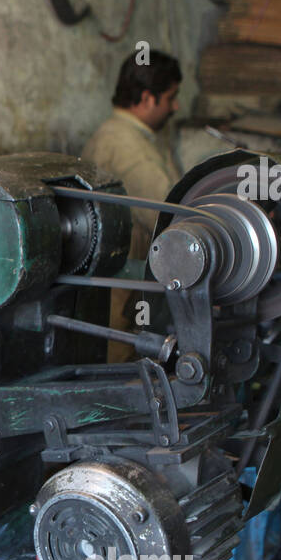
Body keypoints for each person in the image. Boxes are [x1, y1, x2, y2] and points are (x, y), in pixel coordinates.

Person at [81, 49, 183, 360]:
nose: (176, 106)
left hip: (126, 287)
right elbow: (169, 218)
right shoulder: (126, 147)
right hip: (119, 292)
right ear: (148, 99)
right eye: (171, 97)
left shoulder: (133, 137)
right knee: (116, 367)